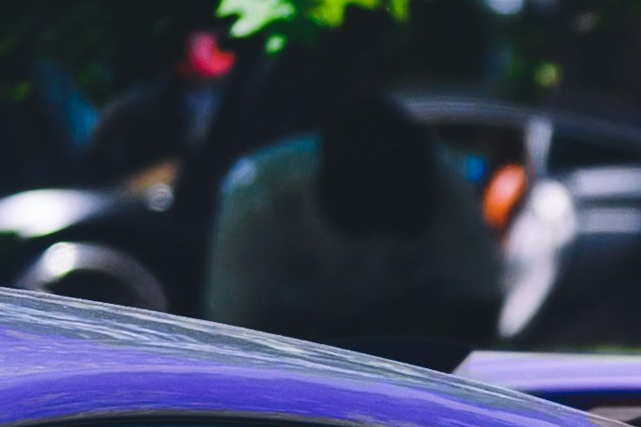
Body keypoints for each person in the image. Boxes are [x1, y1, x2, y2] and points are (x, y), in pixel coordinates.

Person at [202, 88, 506, 359]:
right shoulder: (260, 196)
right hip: (291, 349)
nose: (377, 245)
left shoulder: (448, 190)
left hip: (406, 346)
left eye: (396, 212)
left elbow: (480, 308)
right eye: (371, 208)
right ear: (329, 185)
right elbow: (234, 335)